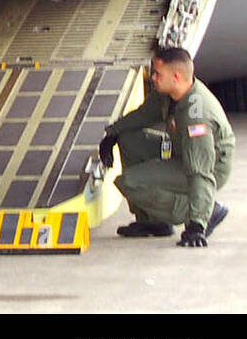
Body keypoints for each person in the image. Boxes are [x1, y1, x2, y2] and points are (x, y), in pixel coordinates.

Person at [99, 47, 233, 245]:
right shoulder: (169, 93)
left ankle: (206, 211)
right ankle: (153, 221)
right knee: (128, 139)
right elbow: (143, 115)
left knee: (129, 182)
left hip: (208, 166)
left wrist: (197, 224)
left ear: (176, 77)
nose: (152, 77)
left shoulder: (196, 117)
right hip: (180, 149)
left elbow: (200, 172)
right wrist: (112, 134)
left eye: (157, 74)